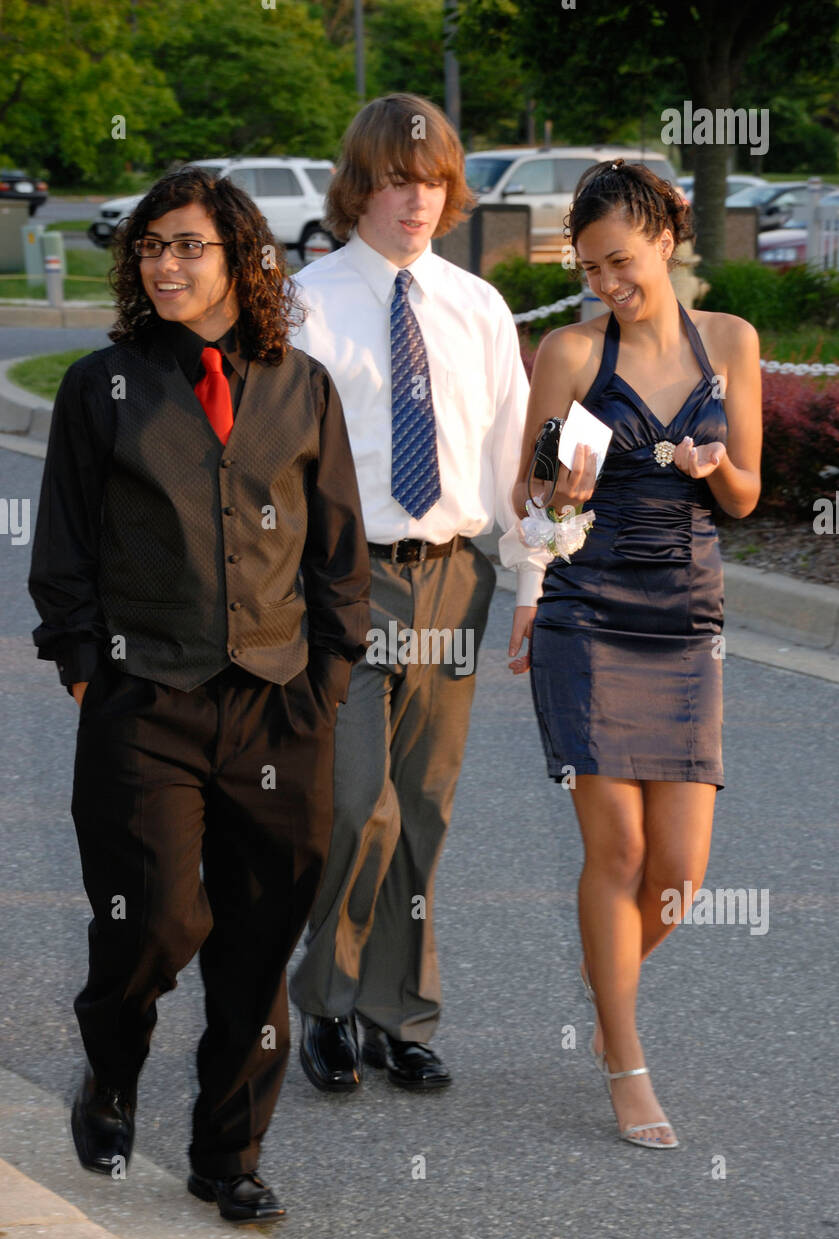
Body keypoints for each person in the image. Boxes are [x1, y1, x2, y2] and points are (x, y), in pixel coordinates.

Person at [28, 166, 370, 1218]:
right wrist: (88, 669)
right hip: (146, 702)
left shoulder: (299, 386)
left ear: (239, 258)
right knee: (155, 921)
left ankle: (229, 1154)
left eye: (188, 246)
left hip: (278, 703)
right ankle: (114, 1061)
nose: (164, 263)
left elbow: (338, 552)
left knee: (258, 942)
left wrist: (325, 681)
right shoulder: (105, 385)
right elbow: (67, 544)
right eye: (150, 247)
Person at [289, 93, 540, 1092]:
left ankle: (397, 1013)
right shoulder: (306, 301)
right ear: (359, 182)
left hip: (450, 578)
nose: (417, 199)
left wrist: (529, 577)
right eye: (397, 178)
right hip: (341, 583)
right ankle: (322, 1002)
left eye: (432, 179)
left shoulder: (477, 306)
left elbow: (510, 453)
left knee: (423, 806)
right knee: (358, 806)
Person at [514, 159, 761, 1148]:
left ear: (666, 236)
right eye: (587, 268)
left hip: (684, 621)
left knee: (676, 876)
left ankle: (603, 971)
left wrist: (714, 467)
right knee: (613, 852)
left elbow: (744, 497)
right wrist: (557, 491)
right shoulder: (570, 353)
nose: (605, 282)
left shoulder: (731, 343)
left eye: (619, 261)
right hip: (588, 617)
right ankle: (623, 1059)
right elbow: (529, 499)